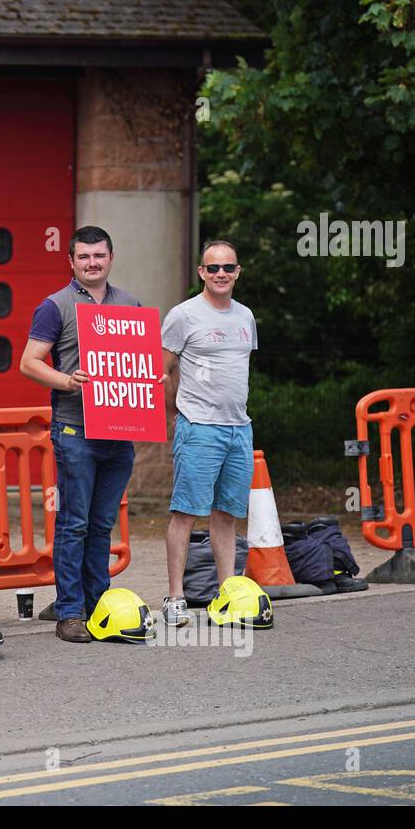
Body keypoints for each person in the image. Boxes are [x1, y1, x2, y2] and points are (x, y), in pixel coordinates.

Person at [19, 226, 142, 643]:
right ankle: (70, 611)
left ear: (111, 258)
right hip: (75, 429)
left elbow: (135, 363)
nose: (93, 263)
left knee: (102, 524)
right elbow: (29, 362)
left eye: (99, 256)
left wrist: (147, 380)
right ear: (71, 261)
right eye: (84, 256)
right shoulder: (55, 306)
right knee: (74, 523)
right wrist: (66, 381)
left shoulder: (130, 303)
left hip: (120, 431)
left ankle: (98, 604)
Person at [160, 240, 257, 627]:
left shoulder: (246, 316)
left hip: (239, 429)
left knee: (228, 516)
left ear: (238, 272)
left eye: (228, 268)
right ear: (201, 272)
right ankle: (175, 598)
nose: (221, 274)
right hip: (199, 427)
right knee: (185, 513)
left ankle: (227, 594)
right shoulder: (183, 315)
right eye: (213, 268)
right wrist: (178, 417)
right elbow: (163, 373)